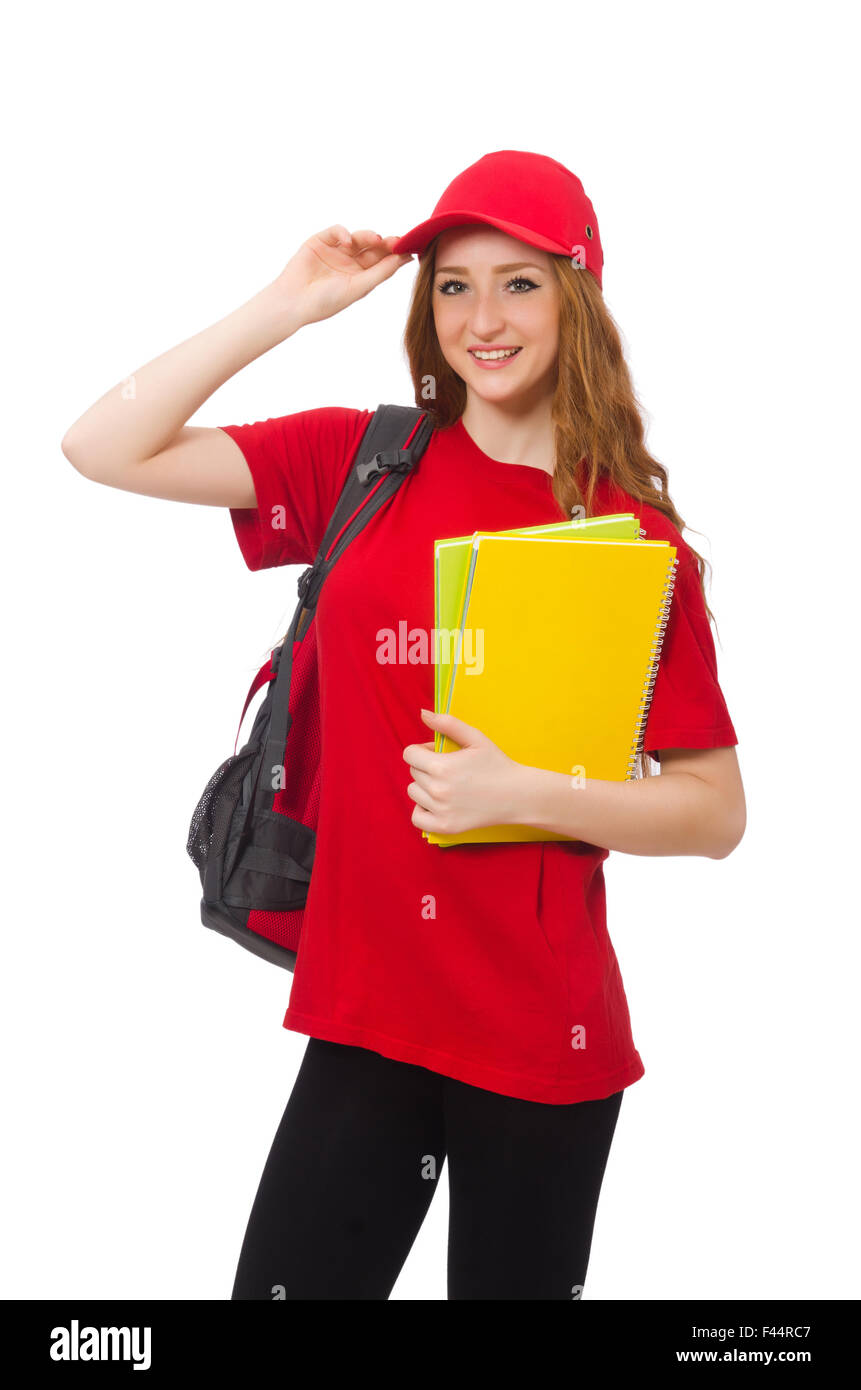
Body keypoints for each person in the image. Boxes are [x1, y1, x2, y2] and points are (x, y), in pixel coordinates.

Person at [61, 149, 745, 1301]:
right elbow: (101, 445)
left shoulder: (634, 543)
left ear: (575, 299)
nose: (484, 317)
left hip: (541, 1039)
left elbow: (716, 809)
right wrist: (286, 304)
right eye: (453, 284)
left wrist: (522, 794)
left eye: (520, 283)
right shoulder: (366, 461)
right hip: (366, 1014)